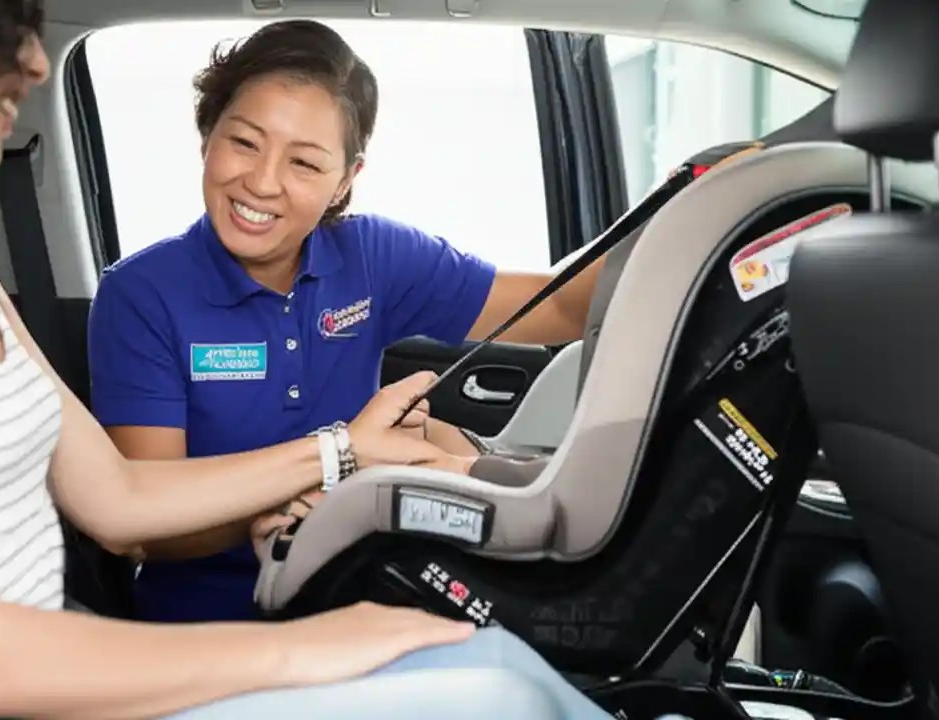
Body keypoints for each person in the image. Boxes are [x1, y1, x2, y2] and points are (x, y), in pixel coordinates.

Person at [0, 2, 625, 719]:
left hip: (53, 682)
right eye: (11, 17)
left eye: (305, 162)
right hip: (0, 688)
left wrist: (345, 454)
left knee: (494, 670)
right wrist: (321, 644)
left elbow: (117, 497)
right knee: (490, 686)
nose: (31, 58)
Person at [88, 18, 606, 623]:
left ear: (344, 182)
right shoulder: (140, 295)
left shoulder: (373, 257)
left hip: (368, 603)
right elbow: (150, 527)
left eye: (305, 164)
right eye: (244, 142)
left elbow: (563, 304)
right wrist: (338, 476)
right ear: (207, 135)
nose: (261, 182)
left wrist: (704, 227)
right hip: (209, 630)